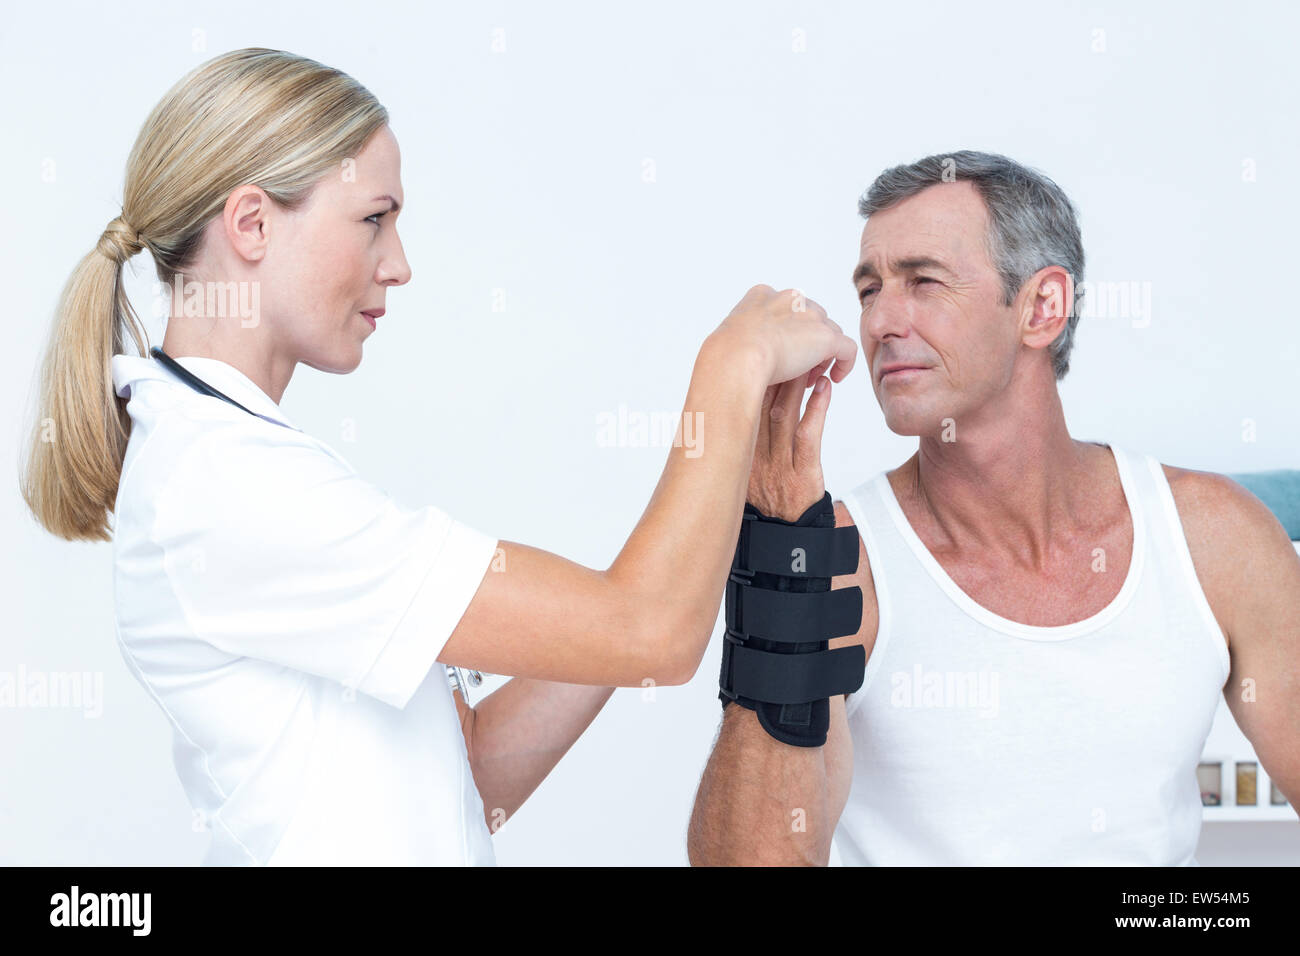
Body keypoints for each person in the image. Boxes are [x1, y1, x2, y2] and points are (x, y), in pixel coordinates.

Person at [17, 47, 857, 865]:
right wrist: (731, 364)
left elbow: (472, 769)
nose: (401, 264)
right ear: (251, 223)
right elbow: (654, 635)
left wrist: (626, 603)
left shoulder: (233, 461)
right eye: (374, 219)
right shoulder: (229, 485)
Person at [688, 150, 1300, 866]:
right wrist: (784, 561)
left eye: (923, 281)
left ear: (1041, 307)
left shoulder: (1217, 536)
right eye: (869, 289)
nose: (881, 319)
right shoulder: (840, 564)